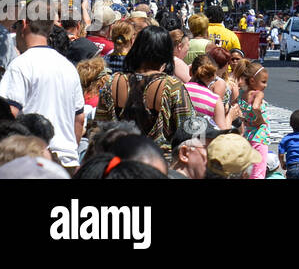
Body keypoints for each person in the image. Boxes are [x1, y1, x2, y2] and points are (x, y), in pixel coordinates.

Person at [95, 25, 194, 165]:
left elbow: (98, 129)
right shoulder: (172, 87)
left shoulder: (114, 82)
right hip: (157, 165)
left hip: (117, 163)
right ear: (166, 53)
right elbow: (190, 130)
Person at [0, 19, 84, 172]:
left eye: (16, 24)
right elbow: (79, 119)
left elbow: (9, 112)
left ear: (24, 24)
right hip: (67, 161)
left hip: (32, 159)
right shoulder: (68, 67)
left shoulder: (20, 65)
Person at [235, 60, 270, 178]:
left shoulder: (240, 94)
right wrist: (260, 119)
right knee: (258, 173)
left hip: (247, 136)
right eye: (263, 82)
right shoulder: (258, 94)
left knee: (247, 172)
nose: (265, 85)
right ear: (252, 80)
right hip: (260, 136)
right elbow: (255, 106)